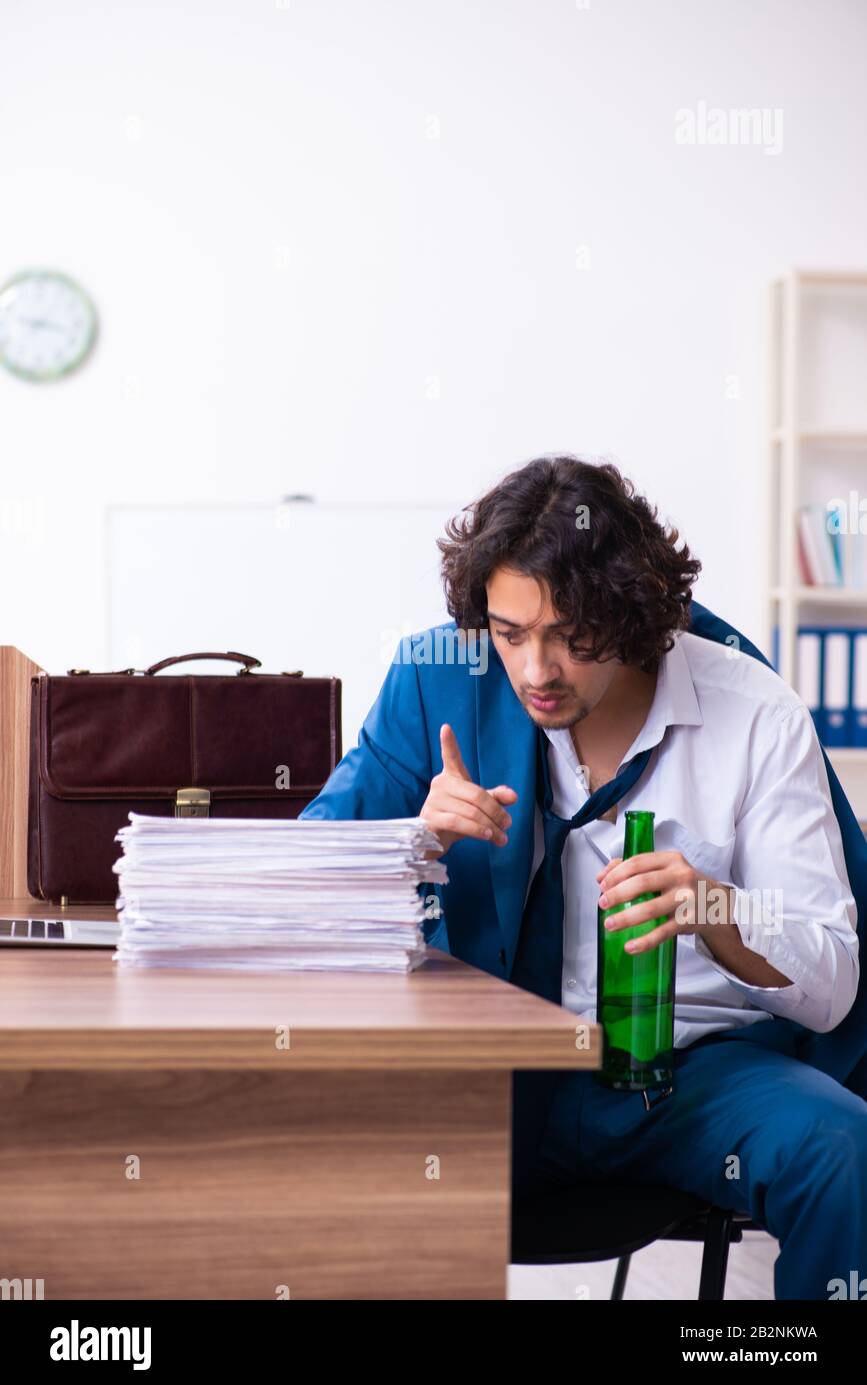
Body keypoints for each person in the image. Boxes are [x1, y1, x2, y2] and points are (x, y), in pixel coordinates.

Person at [299, 453, 867, 1300]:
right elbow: (301, 891)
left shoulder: (755, 712)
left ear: (636, 614)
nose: (535, 670)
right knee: (293, 1144)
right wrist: (412, 841)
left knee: (839, 1147)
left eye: (573, 636)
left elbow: (830, 986)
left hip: (686, 1078)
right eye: (509, 632)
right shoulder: (435, 681)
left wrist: (718, 910)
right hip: (483, 1075)